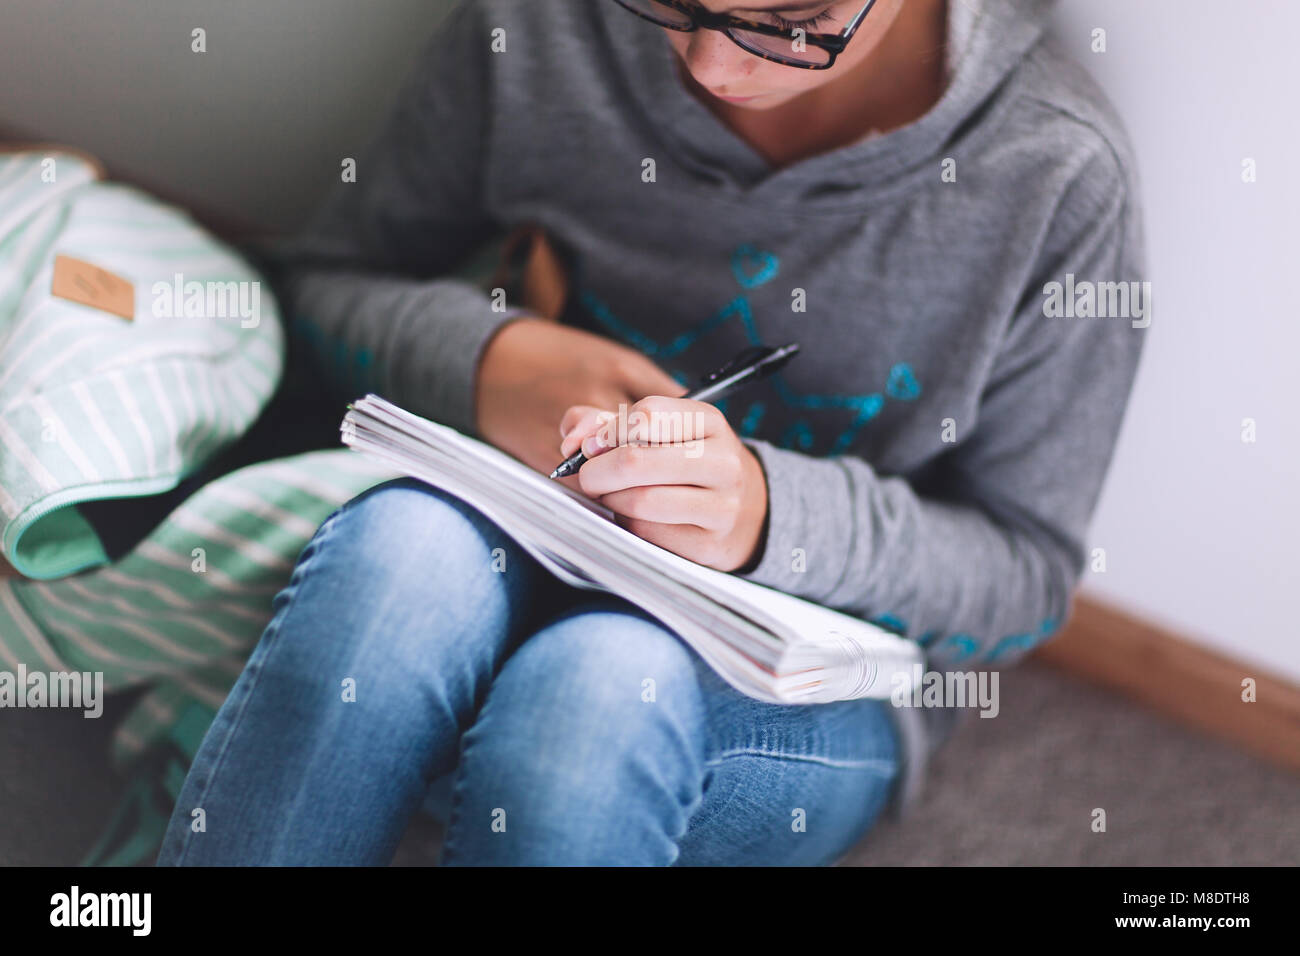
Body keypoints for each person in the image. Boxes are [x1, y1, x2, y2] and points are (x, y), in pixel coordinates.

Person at [157, 0, 1147, 866]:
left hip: (782, 688)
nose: (711, 65)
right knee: (395, 555)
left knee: (593, 689)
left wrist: (772, 514)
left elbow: (1023, 572)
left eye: (788, 24)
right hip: (506, 546)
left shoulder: (1052, 171)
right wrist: (494, 362)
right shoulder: (539, 27)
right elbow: (320, 288)